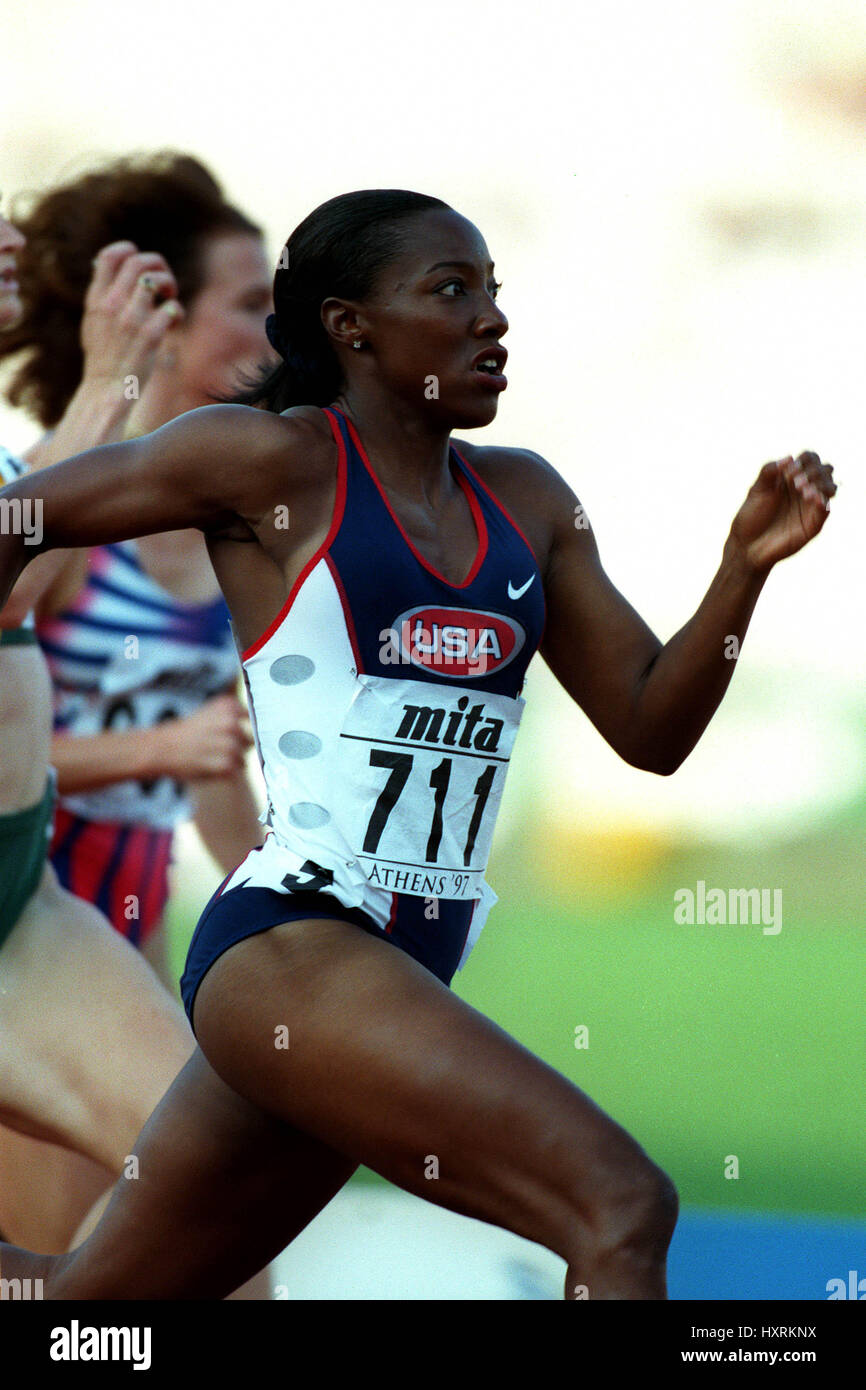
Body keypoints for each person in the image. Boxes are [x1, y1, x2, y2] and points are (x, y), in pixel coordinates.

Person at [0, 188, 836, 1300]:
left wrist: (741, 572)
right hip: (293, 950)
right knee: (620, 1202)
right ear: (351, 326)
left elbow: (648, 730)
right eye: (452, 291)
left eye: (494, 292)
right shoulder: (267, 463)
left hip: (391, 972)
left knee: (82, 1306)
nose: (492, 320)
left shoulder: (528, 500)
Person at [0, 191, 269, 1298]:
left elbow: (211, 770)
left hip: (45, 911)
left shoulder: (233, 520)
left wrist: (298, 917)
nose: (273, 337)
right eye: (249, 306)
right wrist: (109, 384)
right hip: (59, 867)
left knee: (219, 1211)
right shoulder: (62, 464)